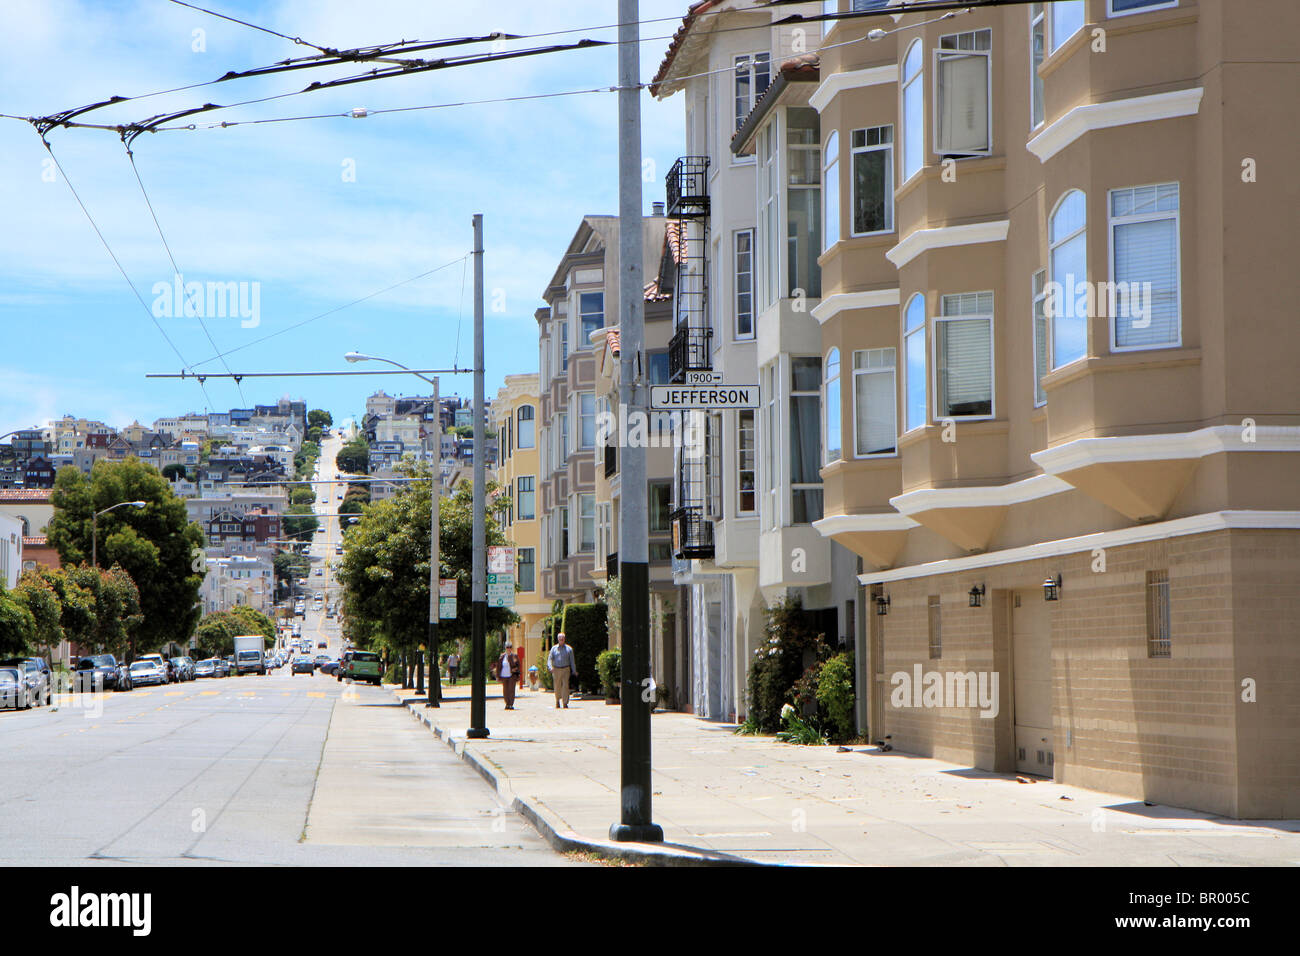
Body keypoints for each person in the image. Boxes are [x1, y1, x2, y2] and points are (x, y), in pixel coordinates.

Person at [547, 632, 577, 708]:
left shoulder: (569, 649)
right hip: (556, 669)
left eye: (562, 639)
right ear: (558, 639)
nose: (561, 640)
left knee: (565, 686)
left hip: (566, 669)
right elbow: (549, 659)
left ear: (564, 639)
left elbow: (572, 661)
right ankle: (557, 700)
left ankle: (565, 702)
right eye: (560, 639)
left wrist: (574, 671)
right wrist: (550, 667)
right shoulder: (554, 648)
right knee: (557, 686)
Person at [499, 643, 516, 710]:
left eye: (510, 647)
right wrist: (498, 675)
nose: (509, 649)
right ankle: (507, 704)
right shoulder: (502, 656)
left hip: (511, 675)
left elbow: (517, 665)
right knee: (505, 690)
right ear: (505, 648)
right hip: (504, 675)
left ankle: (511, 704)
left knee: (511, 690)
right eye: (507, 647)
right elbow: (499, 666)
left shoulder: (514, 656)